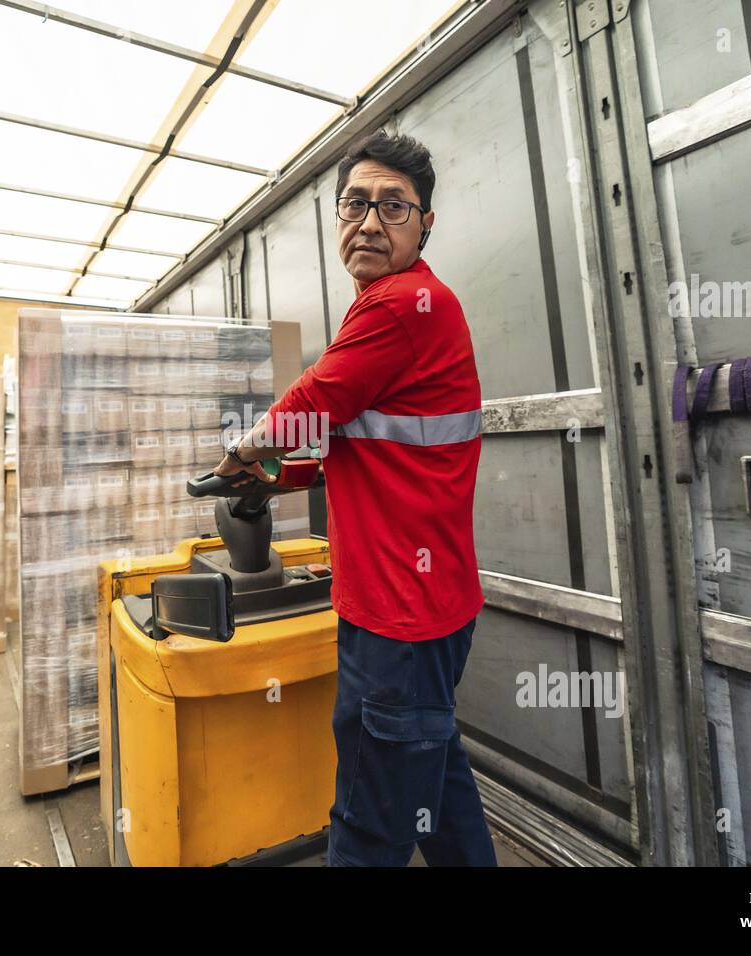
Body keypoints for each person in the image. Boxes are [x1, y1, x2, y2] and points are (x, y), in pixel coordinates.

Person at [213, 129, 496, 867]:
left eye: (394, 207)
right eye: (355, 203)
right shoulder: (406, 306)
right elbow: (367, 442)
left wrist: (244, 451)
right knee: (438, 785)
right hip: (424, 607)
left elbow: (314, 401)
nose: (369, 222)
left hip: (399, 616)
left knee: (370, 821)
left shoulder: (401, 304)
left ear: (424, 225)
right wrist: (286, 477)